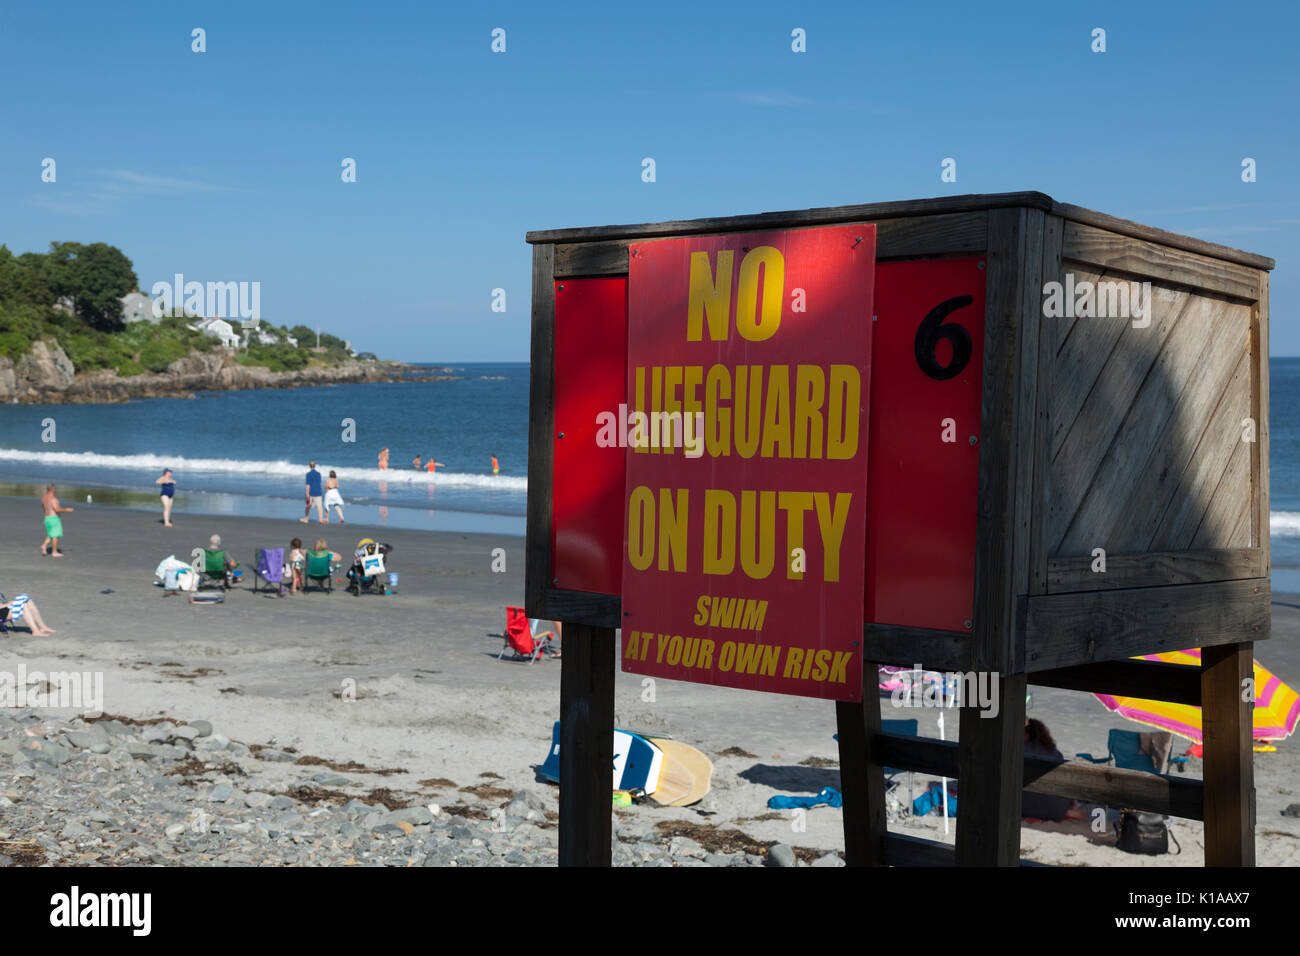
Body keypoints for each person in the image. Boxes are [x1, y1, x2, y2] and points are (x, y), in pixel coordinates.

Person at [1021, 719, 1074, 822]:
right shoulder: (1055, 753)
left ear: (1026, 732)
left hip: (1026, 808)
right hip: (1057, 812)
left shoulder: (1019, 749)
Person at [40, 484, 73, 557]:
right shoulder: (53, 499)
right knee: (56, 535)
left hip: (47, 518)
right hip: (53, 518)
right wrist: (66, 510)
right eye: (55, 488)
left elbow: (44, 507)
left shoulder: (44, 498)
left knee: (51, 534)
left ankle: (44, 546)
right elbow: (56, 509)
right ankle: (54, 552)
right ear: (53, 489)